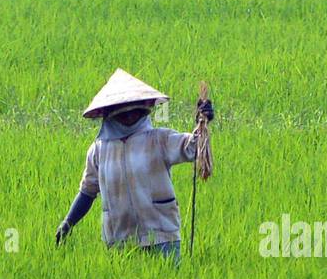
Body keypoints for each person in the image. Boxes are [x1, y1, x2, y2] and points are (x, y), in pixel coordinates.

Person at [55, 69, 214, 265]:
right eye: (124, 112)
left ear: (143, 110)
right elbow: (87, 192)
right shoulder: (98, 151)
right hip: (119, 240)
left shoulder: (159, 139)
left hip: (161, 236)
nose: (130, 116)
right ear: (110, 114)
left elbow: (192, 148)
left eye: (135, 111)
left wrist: (203, 122)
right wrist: (67, 224)